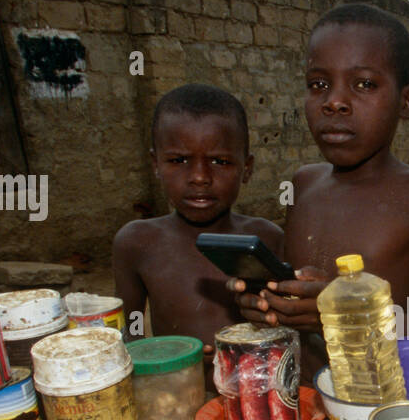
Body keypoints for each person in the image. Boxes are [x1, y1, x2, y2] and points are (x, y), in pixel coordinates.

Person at [229, 3, 409, 366]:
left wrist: (349, 317)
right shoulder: (303, 183)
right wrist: (265, 301)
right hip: (300, 395)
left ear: (406, 102)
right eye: (319, 84)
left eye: (364, 84)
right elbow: (294, 295)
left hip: (379, 400)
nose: (334, 102)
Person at [113, 84, 283, 346]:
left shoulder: (267, 238)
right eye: (179, 160)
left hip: (255, 385)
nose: (199, 178)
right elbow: (129, 337)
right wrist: (172, 364)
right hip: (174, 385)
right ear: (155, 164)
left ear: (246, 168)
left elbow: (286, 327)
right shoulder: (136, 243)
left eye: (221, 162)